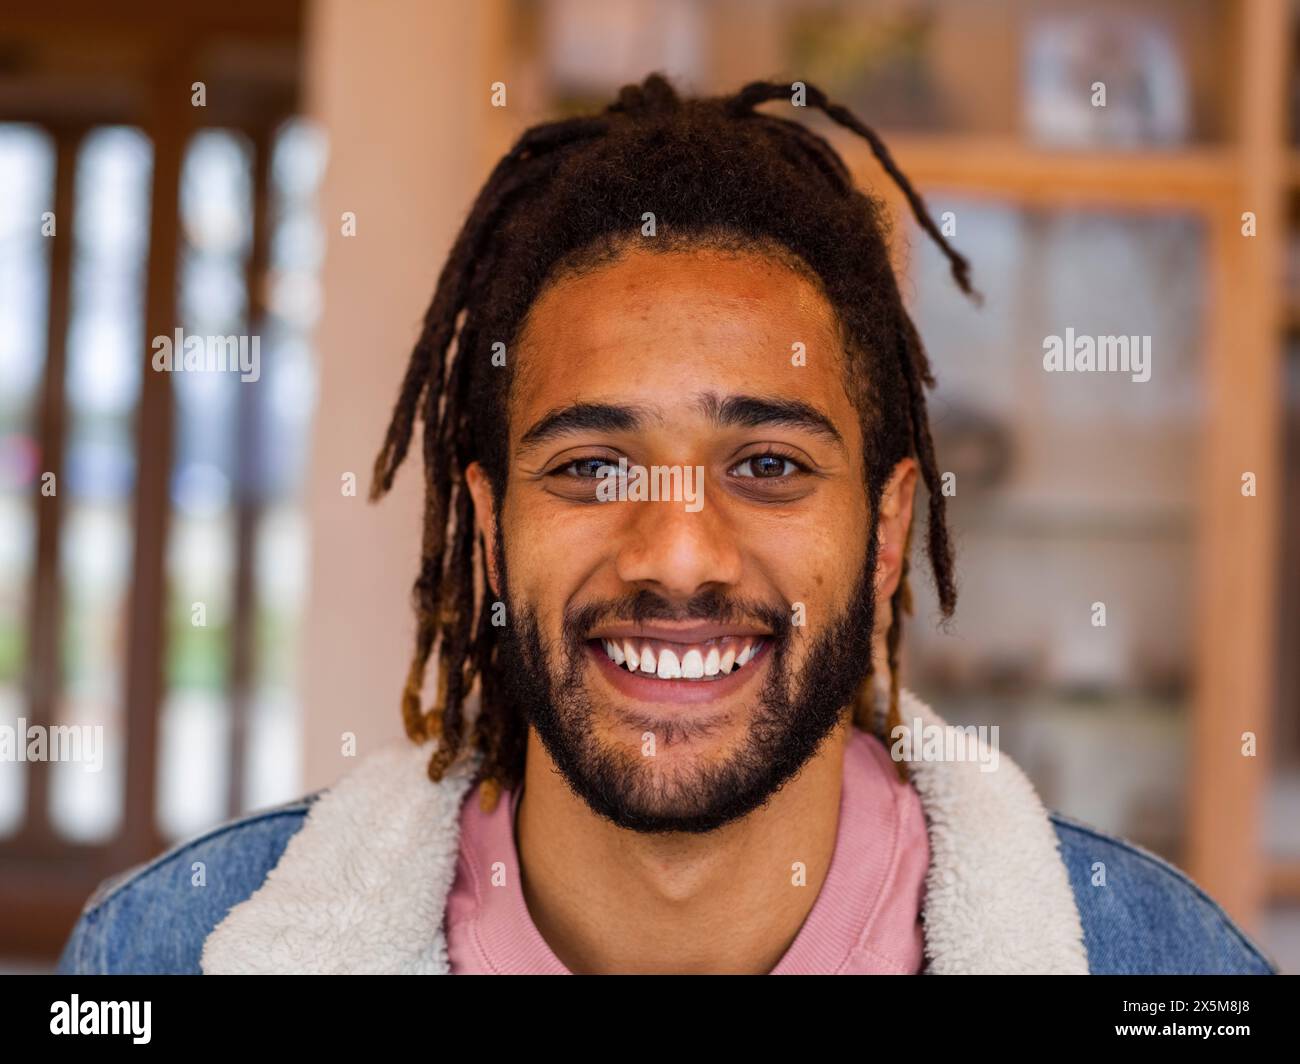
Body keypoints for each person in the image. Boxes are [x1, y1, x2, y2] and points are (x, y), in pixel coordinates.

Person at [57, 74, 1277, 975]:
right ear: (489, 529)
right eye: (591, 466)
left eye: (764, 462)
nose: (678, 553)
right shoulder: (159, 961)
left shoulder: (1169, 975)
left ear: (888, 527)